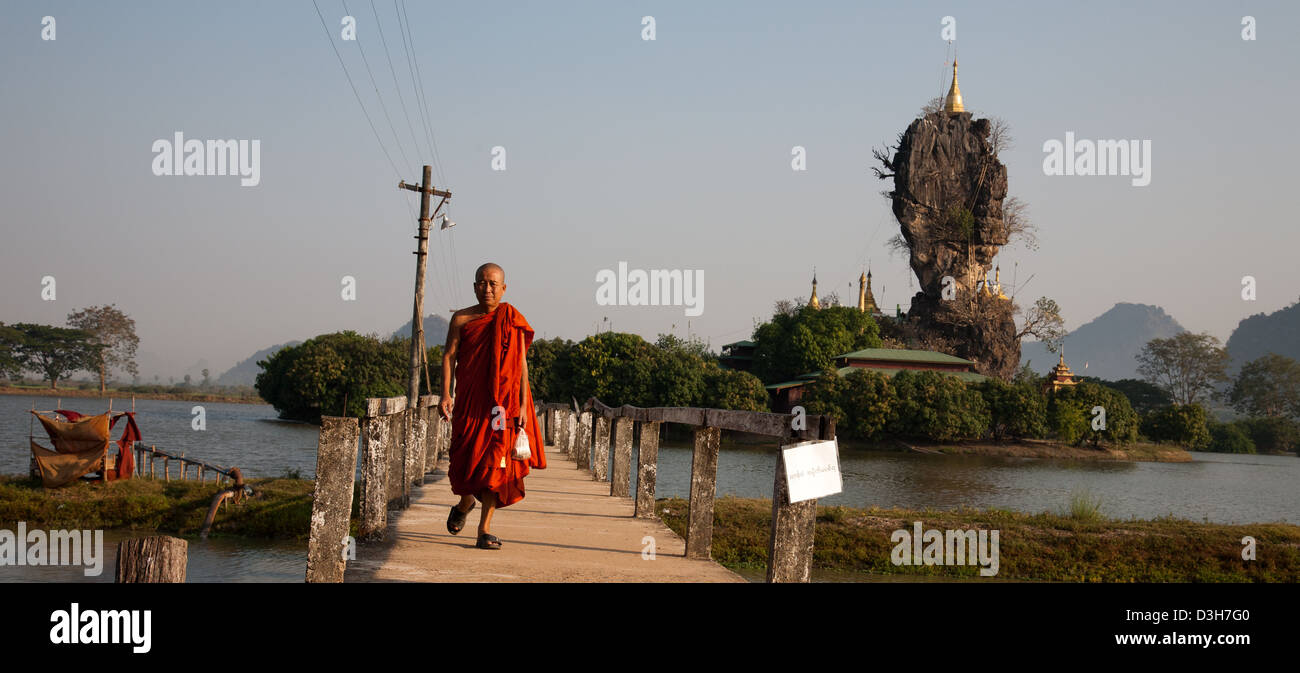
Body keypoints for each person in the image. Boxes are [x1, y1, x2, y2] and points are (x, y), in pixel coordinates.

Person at [439, 262, 546, 549]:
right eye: (481, 283)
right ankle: (464, 503)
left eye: (492, 284)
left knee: (497, 462)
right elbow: (449, 356)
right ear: (474, 286)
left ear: (503, 288)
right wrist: (445, 394)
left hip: (502, 406)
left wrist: (523, 405)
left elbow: (521, 365)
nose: (487, 289)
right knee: (464, 461)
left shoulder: (512, 319)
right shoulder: (461, 319)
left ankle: (484, 529)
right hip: (470, 405)